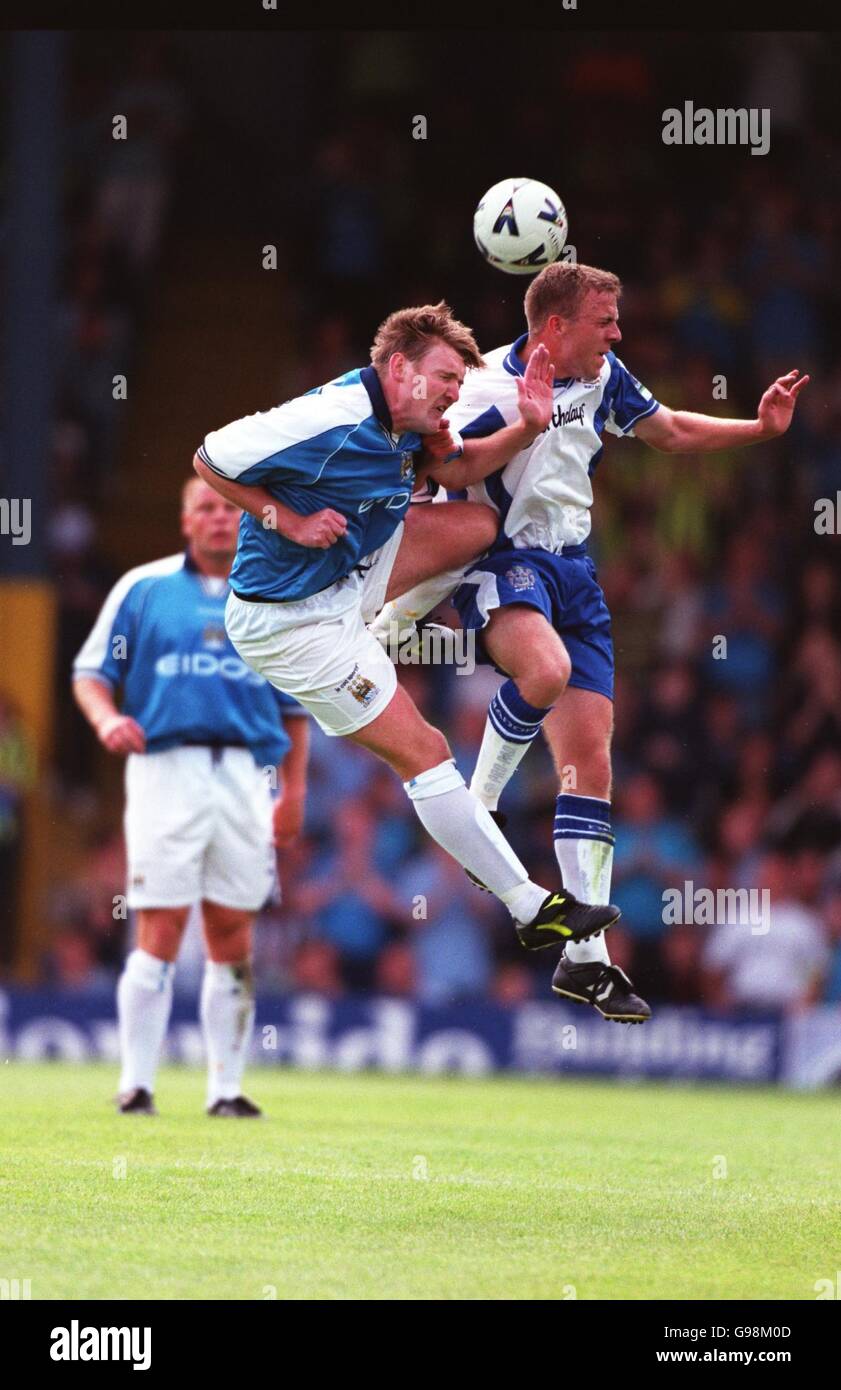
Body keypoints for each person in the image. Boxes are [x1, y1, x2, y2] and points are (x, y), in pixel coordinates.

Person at [373, 262, 809, 1023]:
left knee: (590, 765)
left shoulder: (603, 375)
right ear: (555, 327)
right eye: (604, 320)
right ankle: (480, 803)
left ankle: (585, 965)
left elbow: (668, 429)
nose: (616, 332)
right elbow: (445, 468)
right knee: (544, 670)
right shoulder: (481, 391)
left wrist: (760, 428)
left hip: (574, 568)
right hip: (503, 559)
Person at [192, 301, 621, 980]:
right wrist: (288, 520)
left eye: (458, 381)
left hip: (350, 578)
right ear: (397, 367)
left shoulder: (414, 423)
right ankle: (530, 905)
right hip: (291, 624)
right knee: (426, 751)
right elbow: (211, 455)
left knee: (477, 525)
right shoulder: (327, 419)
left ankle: (388, 631)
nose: (454, 393)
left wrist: (526, 427)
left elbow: (454, 472)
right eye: (446, 378)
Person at [73, 478, 310, 1117]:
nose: (218, 519)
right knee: (160, 923)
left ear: (248, 521)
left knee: (233, 928)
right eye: (205, 508)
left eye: (230, 509)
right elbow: (92, 675)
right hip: (165, 766)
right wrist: (105, 722)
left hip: (246, 773)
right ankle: (136, 1082)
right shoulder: (143, 588)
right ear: (185, 521)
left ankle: (225, 1089)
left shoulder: (276, 592)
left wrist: (293, 794)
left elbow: (295, 710)